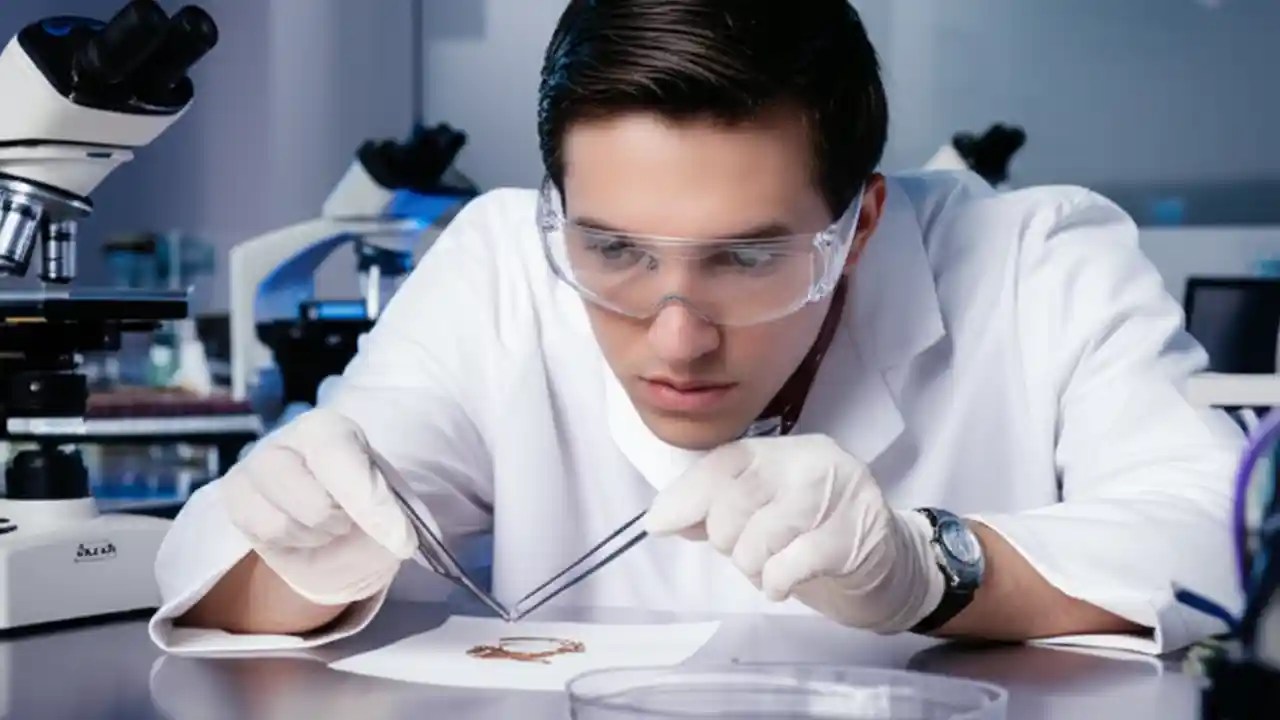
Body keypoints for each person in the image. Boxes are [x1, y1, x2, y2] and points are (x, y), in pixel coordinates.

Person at [152, 0, 1243, 655]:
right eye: (615, 250)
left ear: (857, 225)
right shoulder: (497, 264)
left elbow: (1224, 544)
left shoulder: (1033, 263)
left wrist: (930, 570)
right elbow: (211, 566)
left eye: (746, 256)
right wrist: (305, 561)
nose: (674, 338)